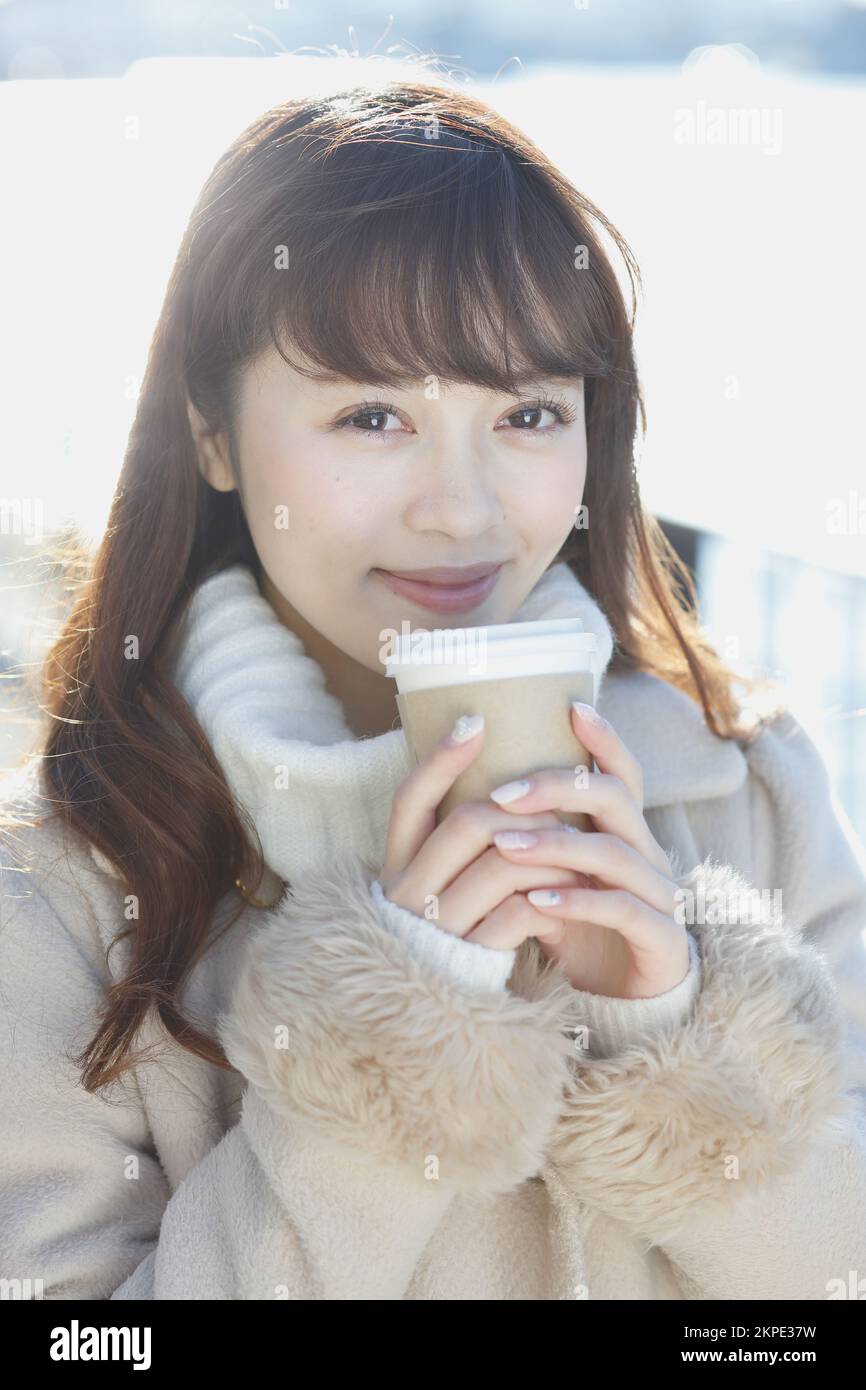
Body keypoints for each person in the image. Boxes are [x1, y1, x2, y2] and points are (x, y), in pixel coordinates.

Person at [2, 78, 865, 1301]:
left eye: (524, 411)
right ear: (210, 431)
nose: (459, 508)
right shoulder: (69, 890)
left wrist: (677, 1041)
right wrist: (390, 1050)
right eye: (369, 415)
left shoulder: (740, 789)